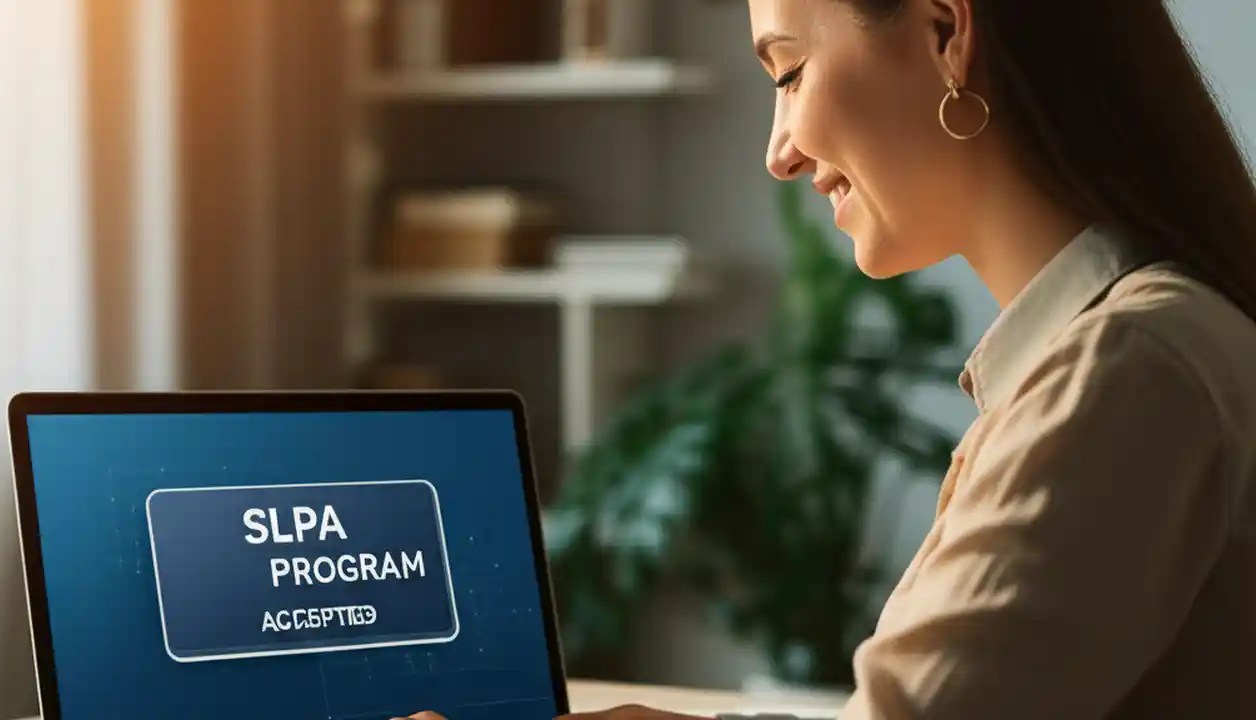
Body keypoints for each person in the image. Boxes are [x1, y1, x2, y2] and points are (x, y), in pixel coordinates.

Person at [402, 0, 1256, 717]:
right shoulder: (1127, 351)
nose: (779, 152)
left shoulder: (1130, 367)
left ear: (944, 33)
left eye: (789, 73)